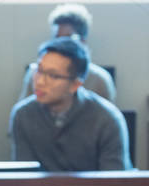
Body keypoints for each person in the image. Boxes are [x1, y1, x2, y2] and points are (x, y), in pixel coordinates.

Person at [9, 37, 130, 172]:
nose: (40, 82)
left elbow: (113, 181)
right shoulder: (23, 115)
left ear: (75, 85)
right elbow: (24, 176)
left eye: (53, 76)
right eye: (39, 70)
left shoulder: (107, 119)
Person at [18, 3, 116, 105]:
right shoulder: (35, 74)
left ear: (82, 41)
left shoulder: (100, 80)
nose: (61, 44)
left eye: (67, 39)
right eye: (57, 38)